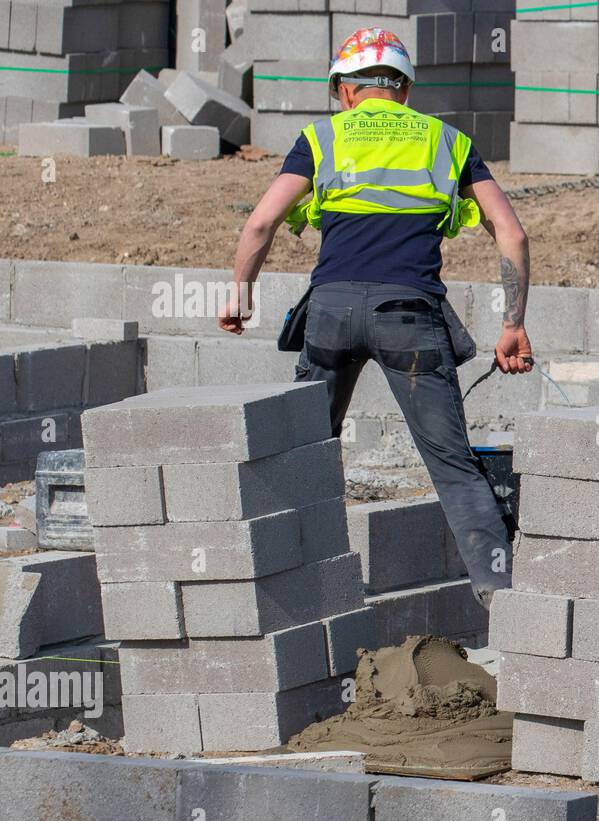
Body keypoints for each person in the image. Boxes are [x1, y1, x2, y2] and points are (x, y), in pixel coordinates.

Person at [217, 27, 532, 607]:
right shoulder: (448, 142)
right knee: (454, 467)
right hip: (409, 318)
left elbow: (260, 223)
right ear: (403, 91)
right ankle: (504, 602)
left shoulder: (320, 138)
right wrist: (511, 322)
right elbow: (510, 232)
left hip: (331, 313)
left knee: (306, 452)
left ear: (344, 90)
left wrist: (242, 293)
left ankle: (294, 596)